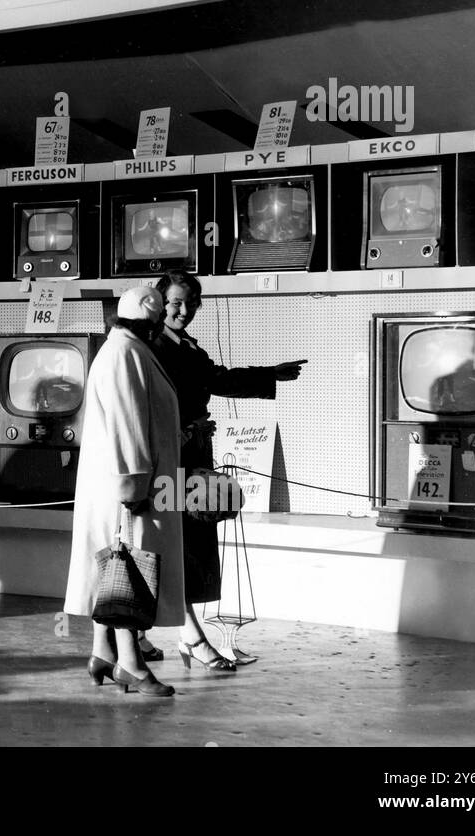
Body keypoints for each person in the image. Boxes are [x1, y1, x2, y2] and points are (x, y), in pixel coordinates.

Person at [153, 269, 304, 669]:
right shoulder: (153, 348)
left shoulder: (184, 346)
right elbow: (145, 410)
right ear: (158, 303)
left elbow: (216, 378)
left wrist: (271, 373)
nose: (185, 311)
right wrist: (185, 430)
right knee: (178, 544)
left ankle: (137, 635)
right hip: (170, 456)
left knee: (188, 541)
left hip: (194, 453)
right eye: (176, 303)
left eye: (192, 303)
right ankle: (191, 639)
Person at [64, 285, 184, 698]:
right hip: (130, 487)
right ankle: (130, 664)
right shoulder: (127, 354)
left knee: (112, 568)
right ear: (149, 324)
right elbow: (128, 424)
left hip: (118, 482)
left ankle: (102, 652)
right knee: (130, 570)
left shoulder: (122, 348)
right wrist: (134, 487)